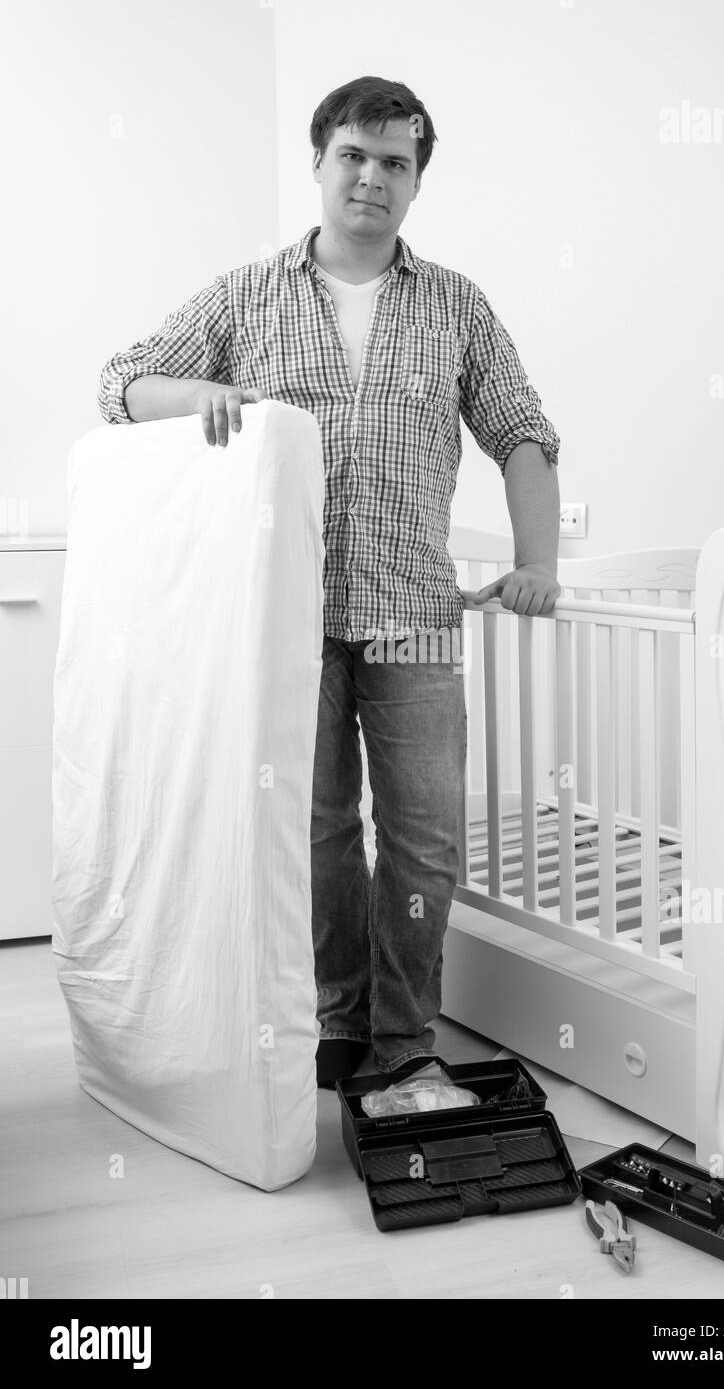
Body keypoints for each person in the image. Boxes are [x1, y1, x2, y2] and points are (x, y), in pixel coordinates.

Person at [97, 74, 562, 1089]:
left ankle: (405, 1040)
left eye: (395, 162)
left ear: (416, 181)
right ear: (319, 162)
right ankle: (339, 1020)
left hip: (415, 616)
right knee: (316, 828)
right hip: (285, 619)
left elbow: (522, 432)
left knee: (425, 837)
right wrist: (201, 391)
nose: (371, 177)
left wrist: (537, 565)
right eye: (353, 155)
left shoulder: (457, 305)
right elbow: (120, 384)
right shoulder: (244, 295)